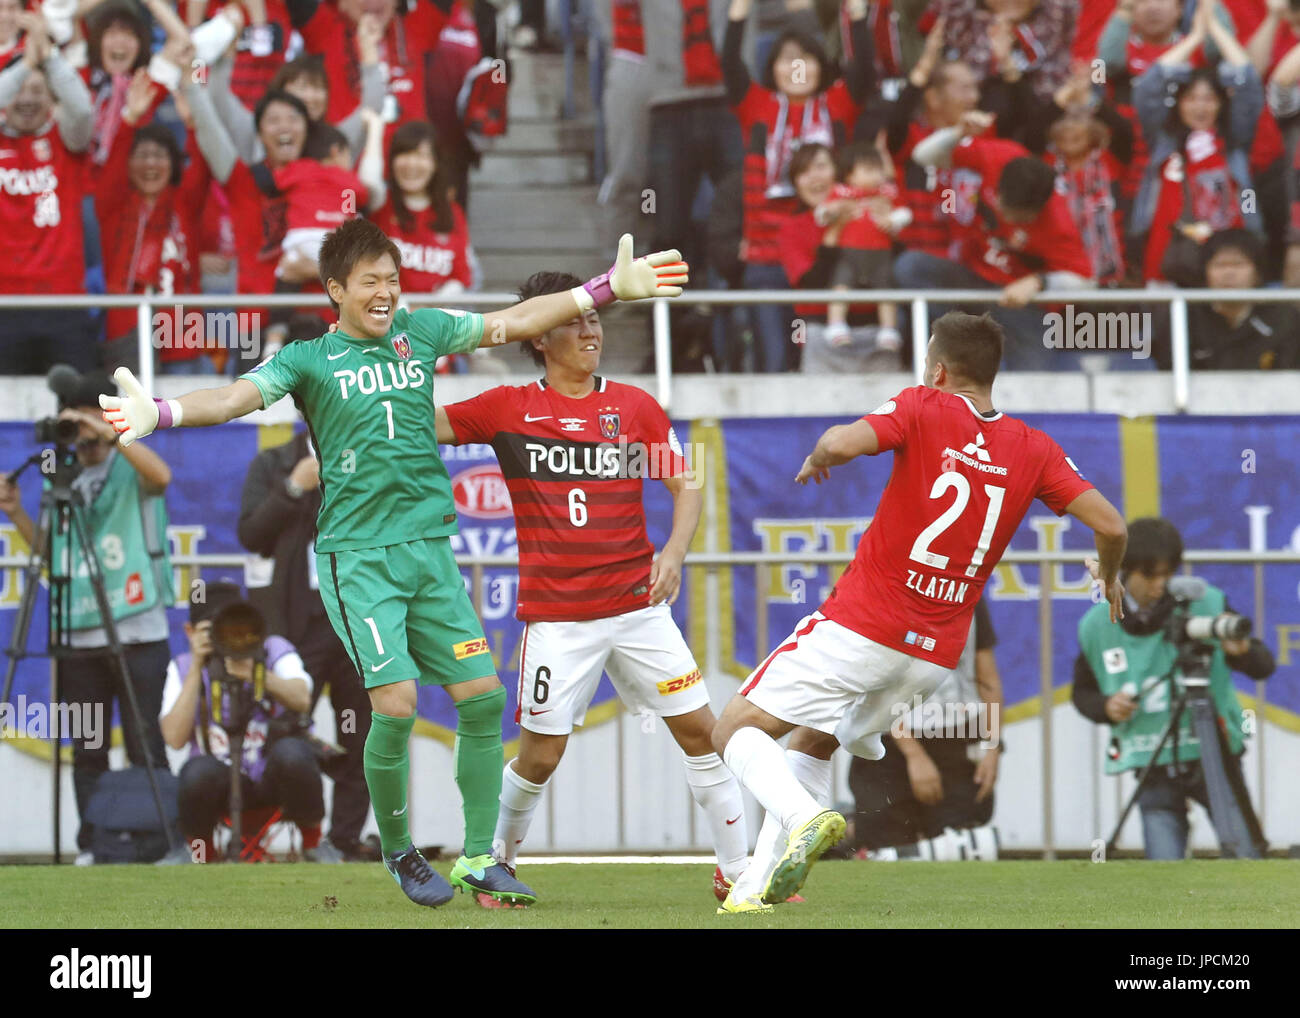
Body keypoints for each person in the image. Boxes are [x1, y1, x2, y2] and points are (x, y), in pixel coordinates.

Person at [99, 219, 688, 907]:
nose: (384, 292)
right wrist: (163, 411)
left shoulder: (422, 332)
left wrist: (604, 289)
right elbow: (232, 398)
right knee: (399, 705)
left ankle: (476, 858)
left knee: (485, 698)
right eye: (369, 282)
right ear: (335, 290)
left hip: (430, 552)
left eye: (391, 279)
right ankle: (401, 850)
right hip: (359, 560)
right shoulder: (307, 359)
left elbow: (517, 319)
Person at [709, 311, 1129, 912]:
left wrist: (822, 453)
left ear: (938, 369)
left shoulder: (921, 405)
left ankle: (806, 815)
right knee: (813, 741)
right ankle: (752, 892)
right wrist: (1107, 573)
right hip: (931, 660)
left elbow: (841, 442)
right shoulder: (1034, 448)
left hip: (864, 625)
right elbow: (1112, 525)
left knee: (734, 729)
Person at [435, 270, 749, 907]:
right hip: (559, 618)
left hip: (639, 608)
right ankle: (494, 866)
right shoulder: (508, 408)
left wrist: (675, 551)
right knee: (541, 758)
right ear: (537, 337)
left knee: (703, 734)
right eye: (574, 320)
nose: (590, 329)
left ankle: (738, 875)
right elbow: (420, 422)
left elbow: (686, 483)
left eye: (594, 318)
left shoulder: (631, 408)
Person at [0, 370, 175, 865]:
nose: (81, 429)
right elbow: (57, 561)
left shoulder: (131, 458)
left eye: (89, 414)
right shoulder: (63, 474)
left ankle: (157, 841)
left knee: (144, 741)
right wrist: (15, 514)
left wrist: (112, 431)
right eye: (73, 418)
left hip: (138, 629)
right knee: (88, 744)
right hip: (78, 632)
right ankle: (94, 846)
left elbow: (161, 478)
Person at [1071, 517, 1274, 860]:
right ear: (1123, 570)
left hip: (1214, 750)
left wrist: (1241, 651)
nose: (1161, 586)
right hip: (1152, 753)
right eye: (1150, 575)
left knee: (1247, 857)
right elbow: (1083, 693)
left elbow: (1263, 664)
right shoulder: (1096, 625)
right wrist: (1107, 707)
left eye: (1168, 574)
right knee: (1163, 866)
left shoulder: (1205, 602)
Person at [238, 429, 375, 862]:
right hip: (297, 622)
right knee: (282, 731)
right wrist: (294, 487)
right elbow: (251, 535)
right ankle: (278, 834)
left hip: (357, 617)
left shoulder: (367, 450)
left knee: (361, 736)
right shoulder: (274, 462)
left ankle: (343, 840)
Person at [722, 0, 875, 372]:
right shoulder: (756, 106)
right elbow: (730, 62)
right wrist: (739, 11)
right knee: (774, 361)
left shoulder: (838, 105)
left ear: (822, 67)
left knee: (818, 363)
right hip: (767, 257)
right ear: (771, 68)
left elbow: (864, 68)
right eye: (787, 59)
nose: (796, 67)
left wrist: (856, 15)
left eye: (806, 58)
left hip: (823, 255)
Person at [158, 582, 341, 863]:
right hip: (218, 782)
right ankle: (201, 854)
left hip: (273, 777)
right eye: (215, 630)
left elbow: (302, 698)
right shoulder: (182, 666)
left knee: (294, 753)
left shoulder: (272, 649)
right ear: (191, 632)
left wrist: (254, 673)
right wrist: (196, 667)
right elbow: (173, 737)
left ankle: (314, 844)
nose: (227, 638)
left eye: (234, 628)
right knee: (195, 772)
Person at [900, 112, 1097, 370]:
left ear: (1038, 210)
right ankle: (961, 341)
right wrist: (957, 133)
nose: (1006, 217)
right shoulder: (998, 156)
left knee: (1036, 378)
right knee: (910, 266)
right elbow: (923, 156)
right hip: (970, 280)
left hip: (1017, 303)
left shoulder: (1059, 222)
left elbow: (1087, 282)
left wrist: (1039, 282)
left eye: (1018, 216)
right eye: (1003, 206)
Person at [851, 595, 1003, 861]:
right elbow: (875, 686)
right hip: (887, 741)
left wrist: (992, 746)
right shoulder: (884, 592)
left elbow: (987, 676)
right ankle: (850, 834)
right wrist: (914, 755)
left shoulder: (969, 592)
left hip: (958, 735)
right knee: (887, 855)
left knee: (960, 850)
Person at [1130, 0, 1263, 283]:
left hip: (1227, 261)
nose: (1200, 107)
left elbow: (1248, 81)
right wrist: (1195, 38)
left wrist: (1214, 28)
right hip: (1169, 257)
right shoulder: (1163, 140)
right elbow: (1148, 86)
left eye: (1209, 99)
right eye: (1191, 99)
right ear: (1178, 105)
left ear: (1221, 104)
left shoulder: (1234, 141)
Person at [0, 15, 95, 375]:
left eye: (37, 91)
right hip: (4, 306)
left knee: (80, 414)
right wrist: (26, 61)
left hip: (63, 304)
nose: (27, 99)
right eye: (19, 89)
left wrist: (50, 56)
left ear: (51, 99)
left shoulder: (66, 141)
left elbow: (83, 109)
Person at [1153, 227, 1300, 369]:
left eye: (1238, 264)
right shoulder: (1184, 317)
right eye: (1220, 265)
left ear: (1257, 273)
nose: (1229, 273)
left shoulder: (1284, 317)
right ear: (1205, 273)